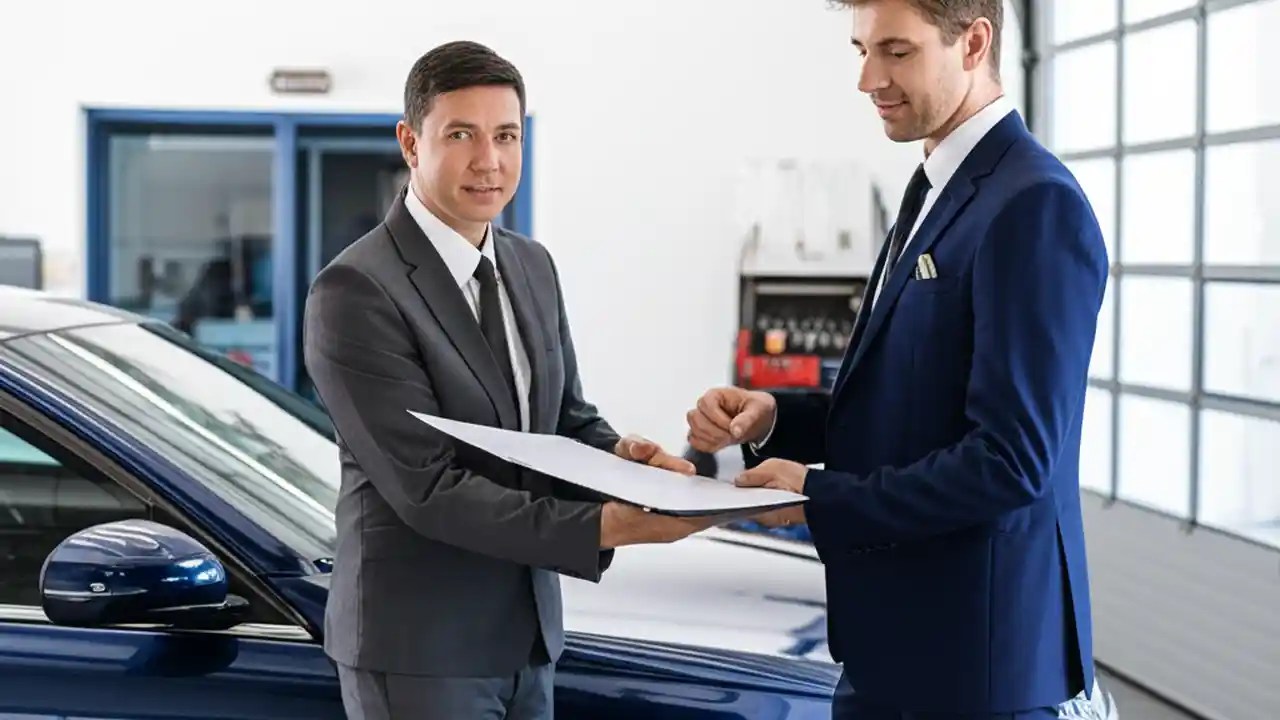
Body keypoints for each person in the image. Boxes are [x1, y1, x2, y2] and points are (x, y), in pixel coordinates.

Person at [686, 1, 1107, 718]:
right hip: (895, 655)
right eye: (861, 49)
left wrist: (817, 497)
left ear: (974, 43)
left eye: (896, 51)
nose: (867, 79)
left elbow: (1010, 463)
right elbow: (910, 399)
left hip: (975, 673)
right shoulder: (933, 187)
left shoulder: (1032, 205)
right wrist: (776, 417)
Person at [304, 40, 712, 720]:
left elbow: (564, 421)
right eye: (460, 134)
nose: (488, 161)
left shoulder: (531, 266)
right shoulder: (356, 290)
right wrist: (607, 526)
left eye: (506, 135)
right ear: (411, 143)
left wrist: (627, 464)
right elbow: (428, 489)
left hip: (526, 636)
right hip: (423, 646)